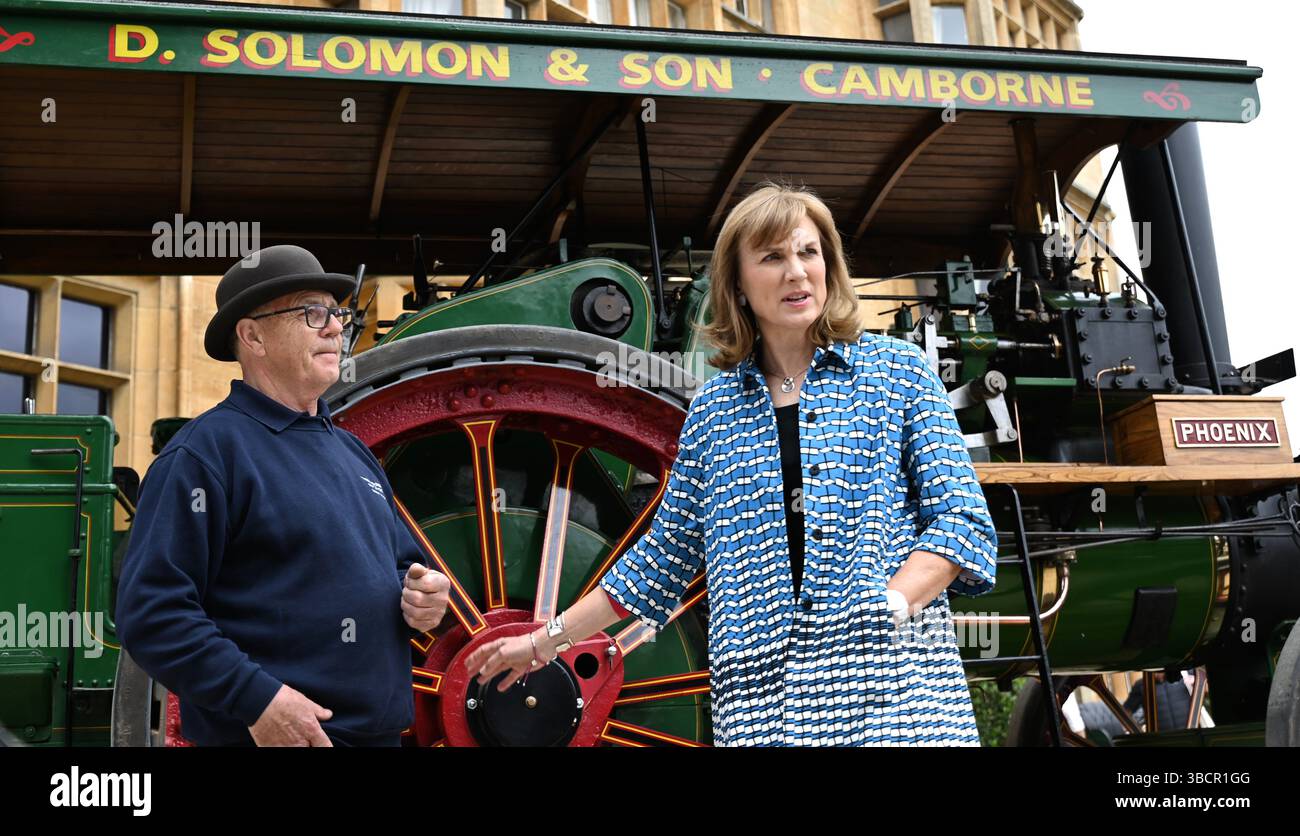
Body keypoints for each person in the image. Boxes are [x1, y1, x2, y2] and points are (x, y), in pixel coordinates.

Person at [467, 182, 998, 745]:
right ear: (739, 285)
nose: (796, 272)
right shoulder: (715, 412)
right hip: (763, 712)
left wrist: (890, 604)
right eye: (772, 257)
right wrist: (543, 641)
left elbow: (961, 523)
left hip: (896, 698)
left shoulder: (898, 373)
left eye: (808, 253)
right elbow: (658, 564)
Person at [116, 245, 450, 746]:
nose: (336, 328)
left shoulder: (353, 452)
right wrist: (257, 700)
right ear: (252, 335)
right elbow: (150, 612)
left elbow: (403, 571)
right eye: (313, 313)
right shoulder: (205, 454)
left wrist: (423, 597)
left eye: (336, 313)